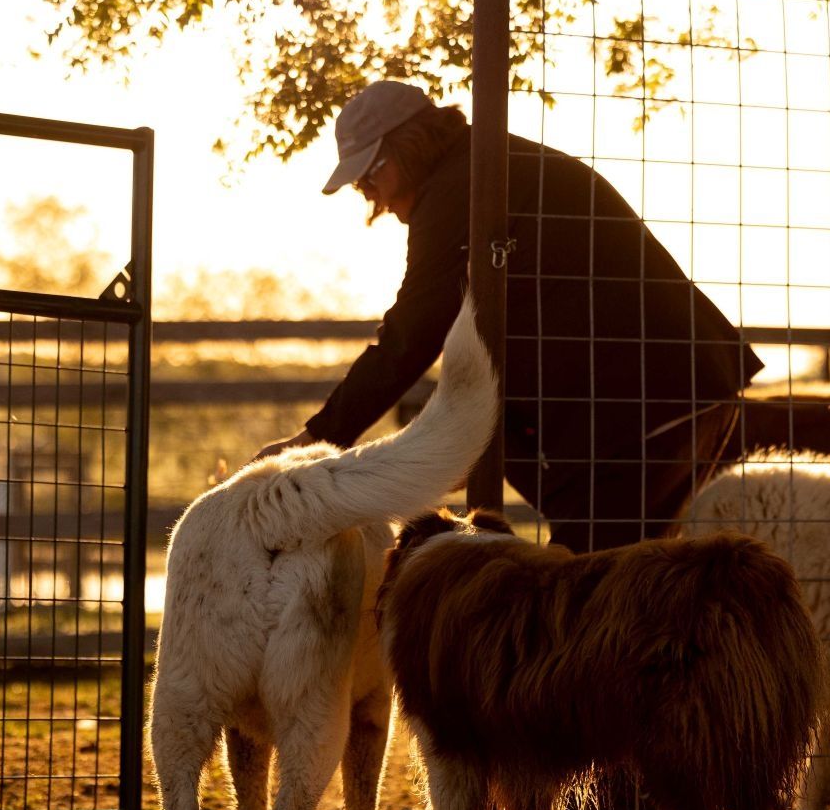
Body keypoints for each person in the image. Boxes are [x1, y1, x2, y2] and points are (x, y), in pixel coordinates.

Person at [256, 80, 761, 554]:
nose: (375, 198)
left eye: (371, 175)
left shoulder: (462, 188)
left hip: (639, 408)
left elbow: (411, 335)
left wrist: (319, 439)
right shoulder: (491, 167)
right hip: (670, 390)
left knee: (587, 595)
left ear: (407, 147)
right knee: (619, 586)